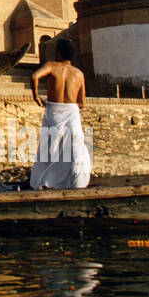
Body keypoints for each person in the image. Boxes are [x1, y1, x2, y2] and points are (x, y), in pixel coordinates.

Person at [29, 38, 91, 189]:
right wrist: (68, 105)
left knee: (50, 148)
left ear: (59, 53)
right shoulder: (79, 74)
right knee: (75, 149)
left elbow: (34, 76)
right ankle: (77, 183)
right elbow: (81, 103)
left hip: (53, 112)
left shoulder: (52, 66)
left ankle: (46, 182)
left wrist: (36, 96)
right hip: (71, 112)